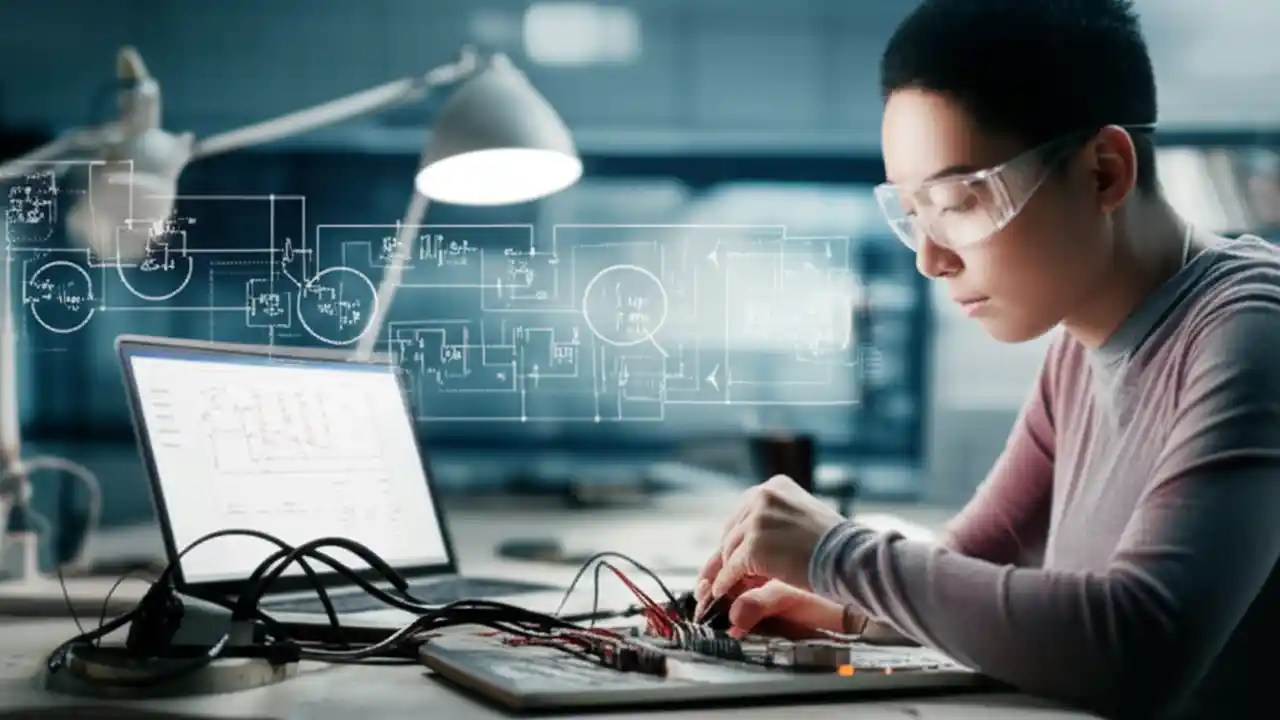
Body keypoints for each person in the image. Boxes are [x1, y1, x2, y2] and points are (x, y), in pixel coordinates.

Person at [692, 1, 1280, 718]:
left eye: (960, 201)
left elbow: (1138, 644)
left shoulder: (1254, 330)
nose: (931, 259)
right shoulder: (1077, 345)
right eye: (913, 213)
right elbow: (973, 563)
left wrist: (836, 555)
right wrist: (847, 608)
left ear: (1102, 172)